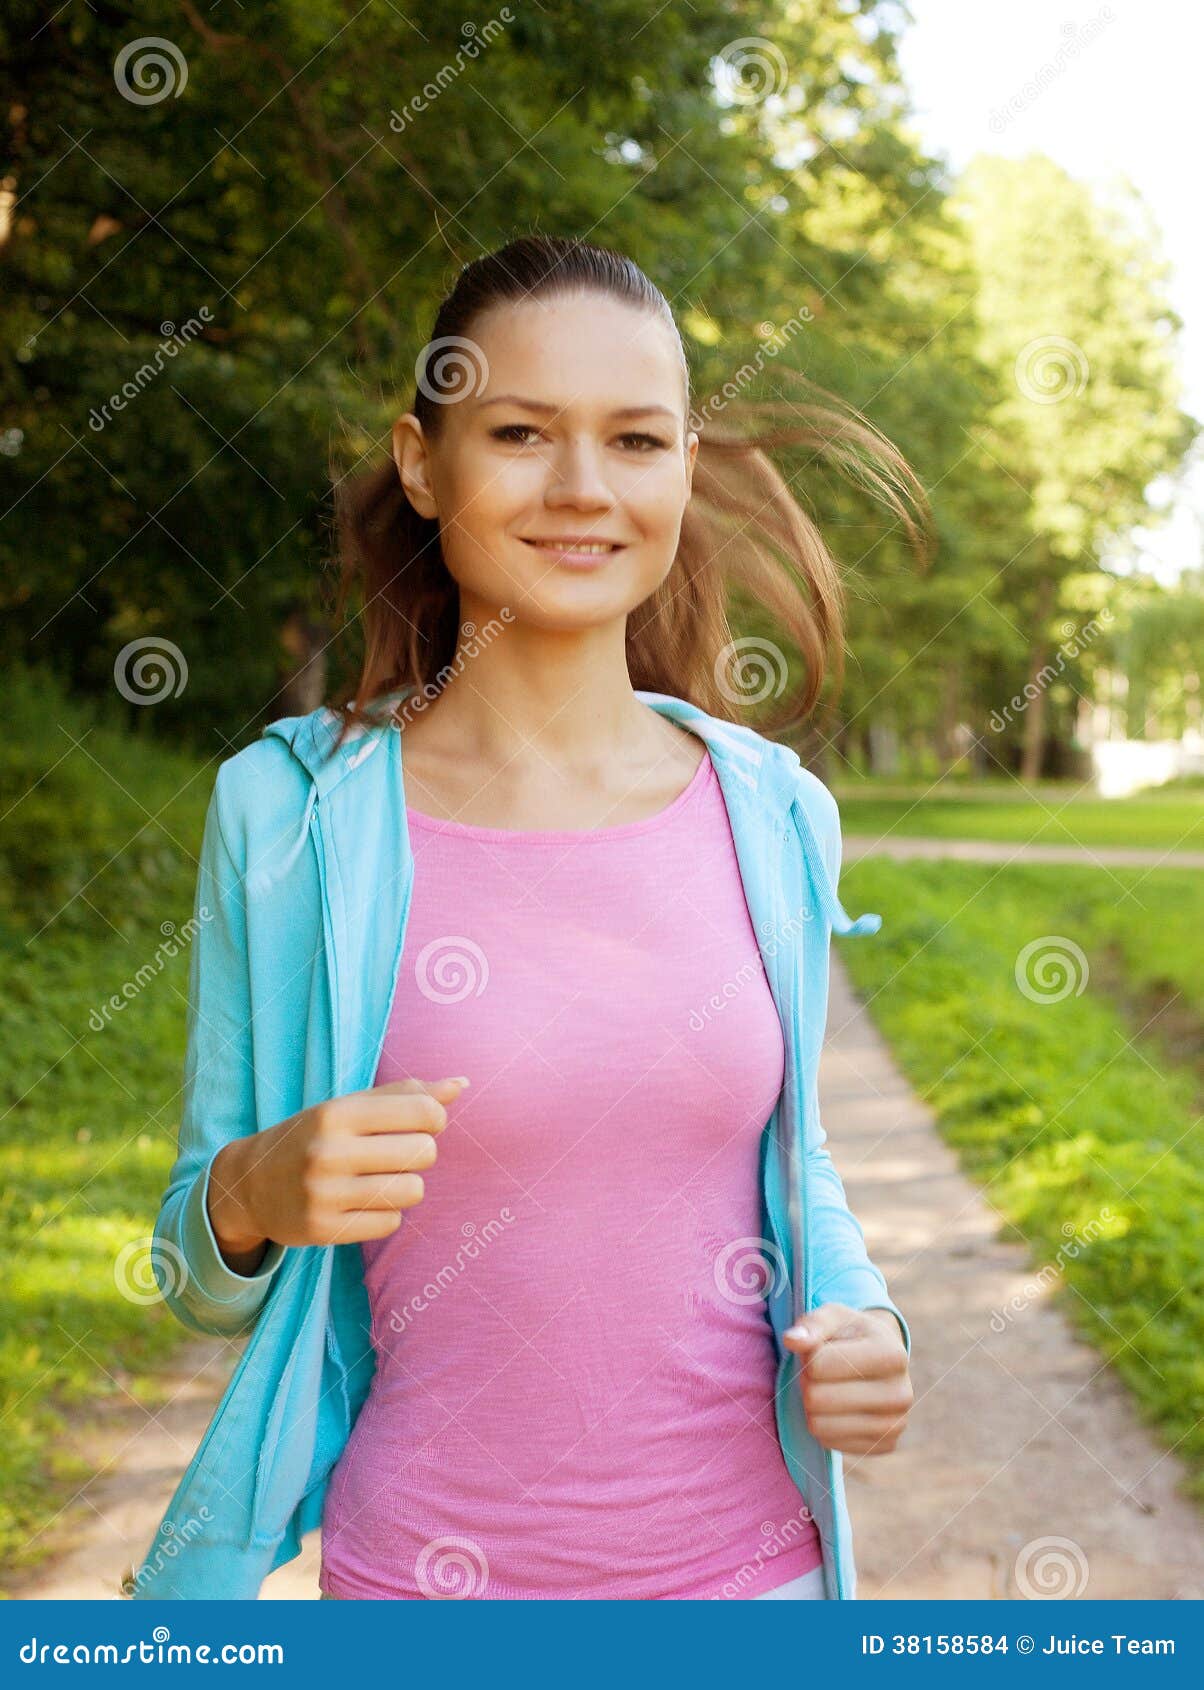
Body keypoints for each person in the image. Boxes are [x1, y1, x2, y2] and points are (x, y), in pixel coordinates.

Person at [128, 235, 926, 1604]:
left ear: (680, 468)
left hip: (755, 1585)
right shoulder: (290, 815)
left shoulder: (773, 809)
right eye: (518, 432)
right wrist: (261, 1188)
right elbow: (196, 1274)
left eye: (633, 439)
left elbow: (792, 1159)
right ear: (425, 461)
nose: (579, 488)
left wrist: (864, 1316)